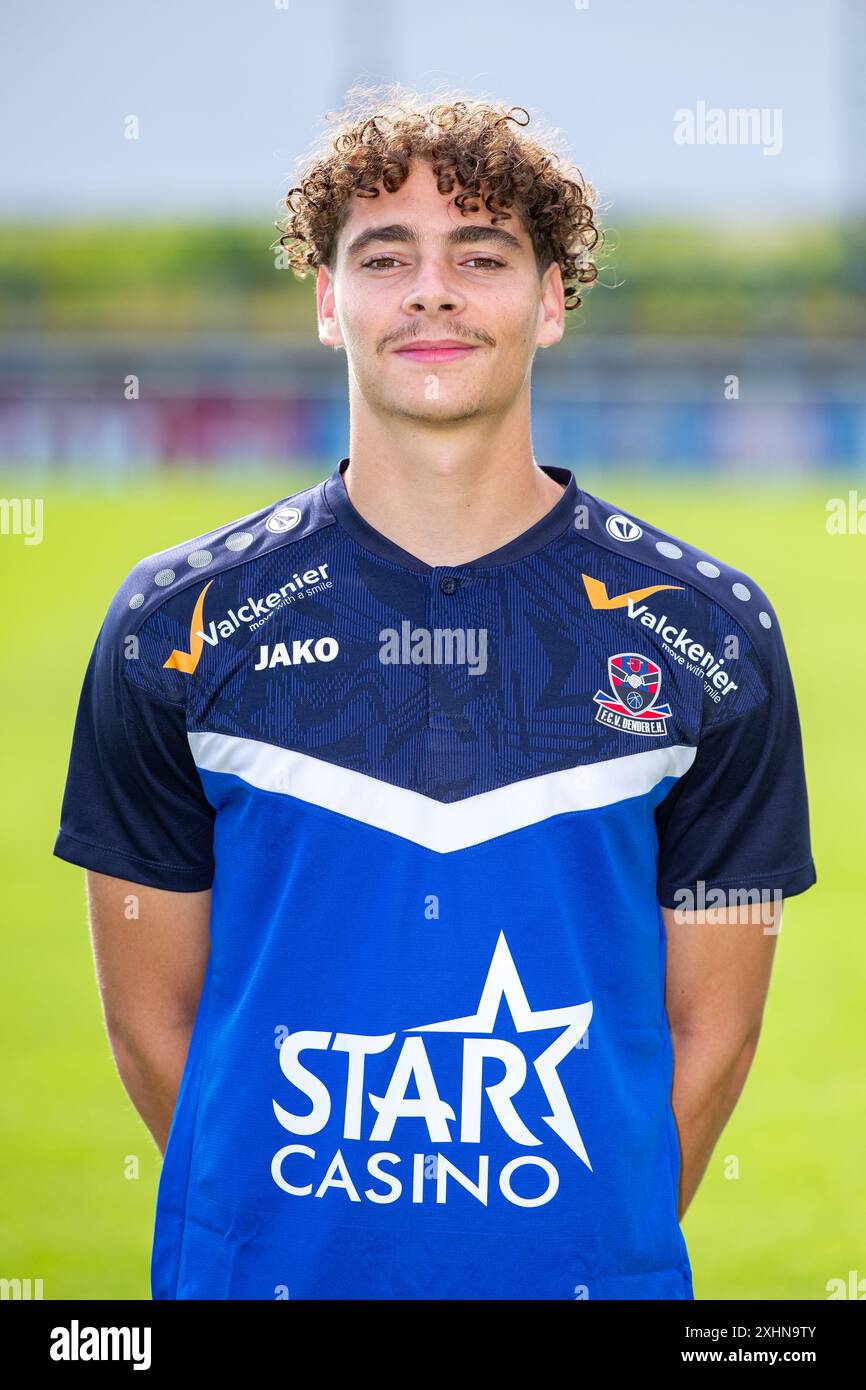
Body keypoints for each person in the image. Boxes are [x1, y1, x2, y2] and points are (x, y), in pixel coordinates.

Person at [53, 87, 816, 1301]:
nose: (431, 291)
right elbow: (158, 1028)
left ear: (552, 298)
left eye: (481, 255)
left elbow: (709, 1036)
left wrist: (559, 1240)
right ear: (326, 298)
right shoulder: (175, 625)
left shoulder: (707, 637)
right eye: (384, 256)